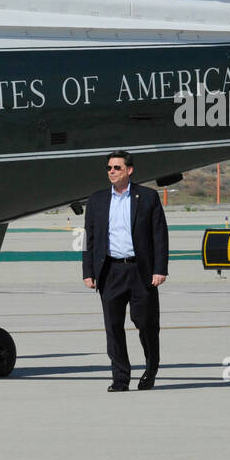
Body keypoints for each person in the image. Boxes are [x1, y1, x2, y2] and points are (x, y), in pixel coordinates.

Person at [82, 150, 169, 391]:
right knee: (113, 328)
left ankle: (151, 369)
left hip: (141, 271)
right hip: (110, 271)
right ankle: (120, 379)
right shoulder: (97, 200)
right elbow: (89, 239)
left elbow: (159, 235)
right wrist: (88, 271)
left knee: (146, 324)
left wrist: (160, 269)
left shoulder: (148, 197)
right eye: (109, 168)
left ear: (129, 170)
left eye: (117, 168)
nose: (112, 171)